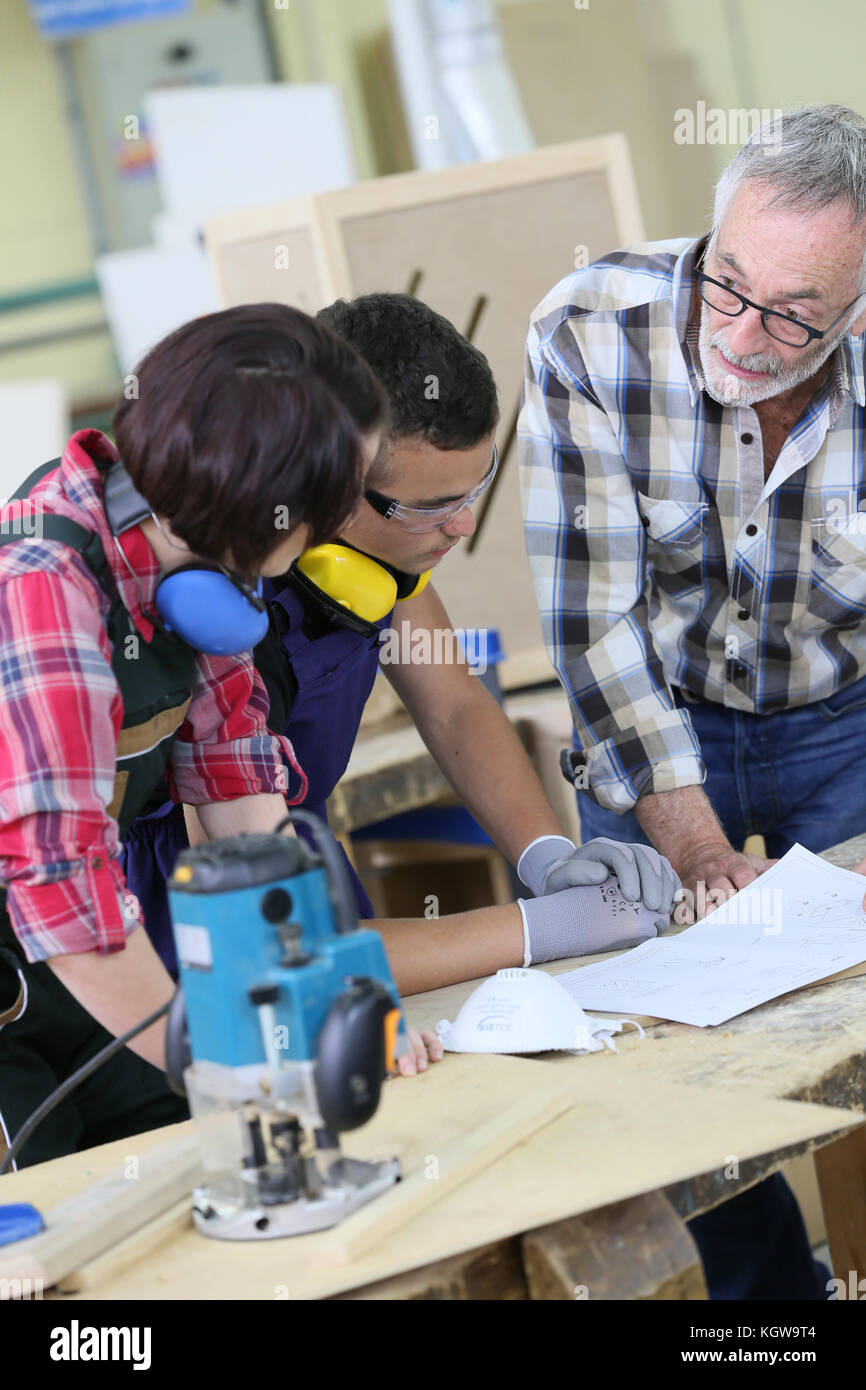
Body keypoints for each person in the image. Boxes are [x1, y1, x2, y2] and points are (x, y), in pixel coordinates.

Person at [124, 292, 680, 1055]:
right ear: (328, 481)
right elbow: (274, 936)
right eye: (435, 507)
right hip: (179, 932)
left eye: (477, 488)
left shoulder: (379, 562)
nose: (464, 527)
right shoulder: (219, 607)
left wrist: (547, 858)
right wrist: (538, 929)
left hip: (308, 876)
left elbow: (453, 704)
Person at [518, 104, 866, 1300]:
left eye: (793, 316)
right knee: (661, 1043)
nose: (742, 332)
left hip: (843, 718)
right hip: (655, 718)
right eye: (726, 284)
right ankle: (769, 1308)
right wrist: (702, 851)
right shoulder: (588, 331)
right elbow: (591, 624)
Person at [0, 303, 393, 1168]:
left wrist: (323, 1003)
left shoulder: (191, 554)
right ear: (268, 508)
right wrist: (230, 1067)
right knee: (48, 1239)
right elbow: (63, 888)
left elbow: (237, 796)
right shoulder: (44, 585)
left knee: (192, 1165)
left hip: (75, 967)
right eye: (333, 499)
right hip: (32, 961)